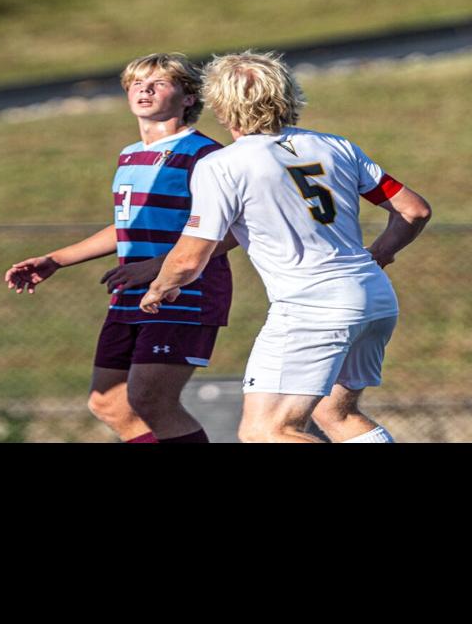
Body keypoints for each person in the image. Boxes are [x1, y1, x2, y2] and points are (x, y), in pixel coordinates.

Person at [141, 51, 432, 443]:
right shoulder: (335, 146)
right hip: (373, 297)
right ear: (286, 94)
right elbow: (413, 211)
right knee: (336, 415)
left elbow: (189, 258)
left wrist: (160, 287)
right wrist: (379, 254)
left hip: (311, 307)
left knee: (267, 432)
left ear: (221, 105)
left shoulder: (223, 164)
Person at [3, 53, 238, 444]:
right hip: (133, 292)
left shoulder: (204, 155)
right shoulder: (129, 154)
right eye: (136, 82)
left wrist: (159, 267)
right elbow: (127, 225)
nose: (144, 89)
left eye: (159, 82)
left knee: (151, 399)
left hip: (182, 291)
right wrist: (56, 259)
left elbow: (233, 230)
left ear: (189, 98)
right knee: (110, 403)